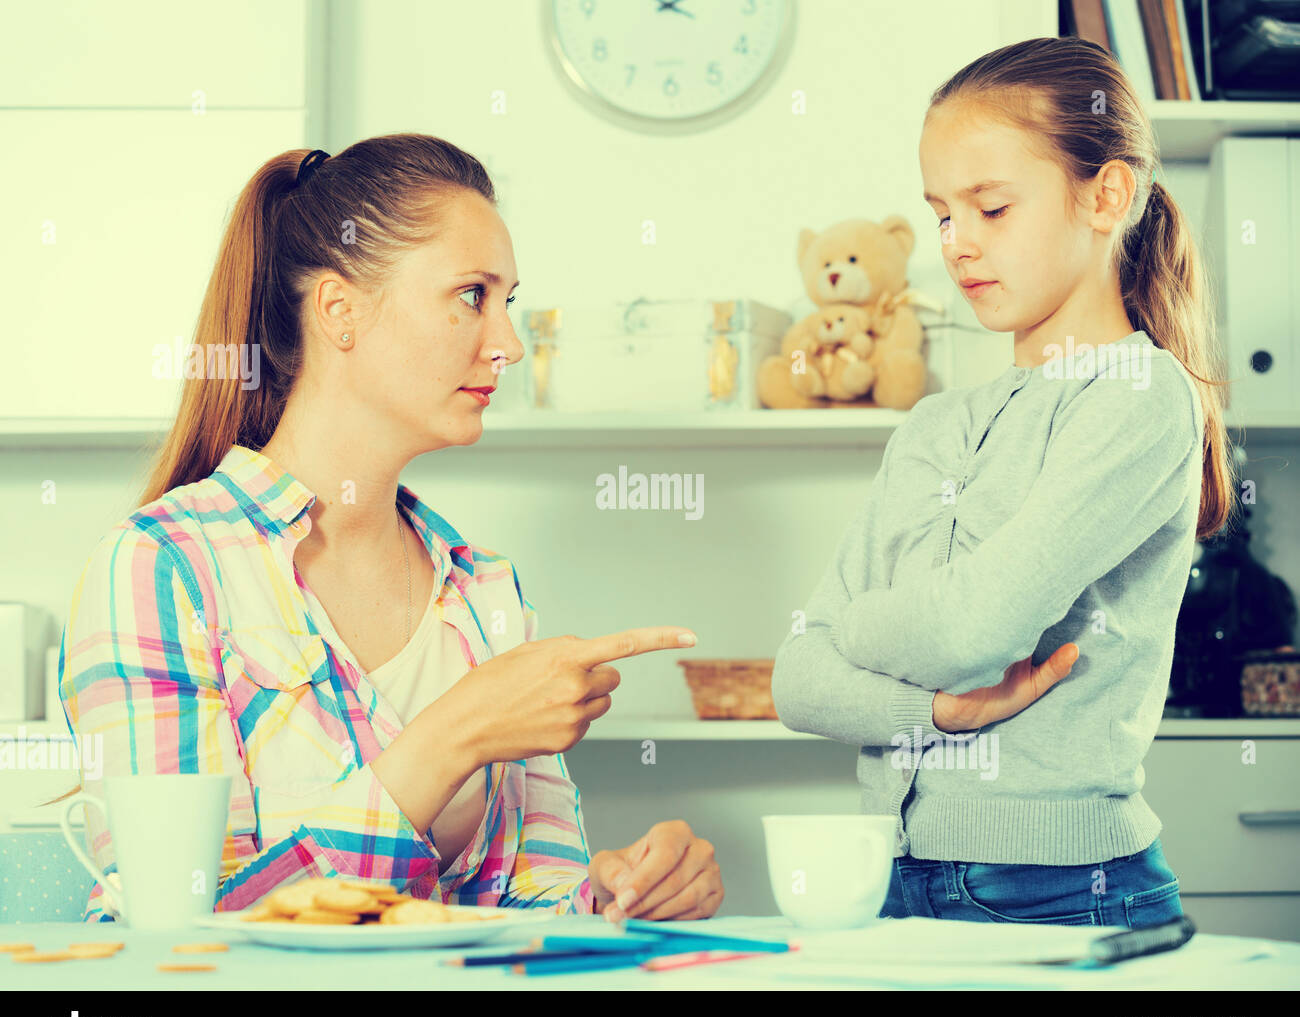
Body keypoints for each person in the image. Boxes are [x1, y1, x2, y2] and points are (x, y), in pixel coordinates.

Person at [53, 134, 722, 925]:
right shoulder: (161, 568)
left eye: (506, 302)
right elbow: (175, 924)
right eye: (473, 295)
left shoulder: (483, 591)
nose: (507, 343)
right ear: (340, 311)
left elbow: (530, 906)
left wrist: (623, 894)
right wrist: (452, 736)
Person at [772, 37, 1236, 927]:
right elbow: (797, 678)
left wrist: (857, 630)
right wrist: (940, 709)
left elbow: (974, 625)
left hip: (1062, 892)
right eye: (942, 214)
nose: (956, 245)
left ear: (1107, 197)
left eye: (990, 208)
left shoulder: (1139, 398)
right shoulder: (933, 424)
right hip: (899, 882)